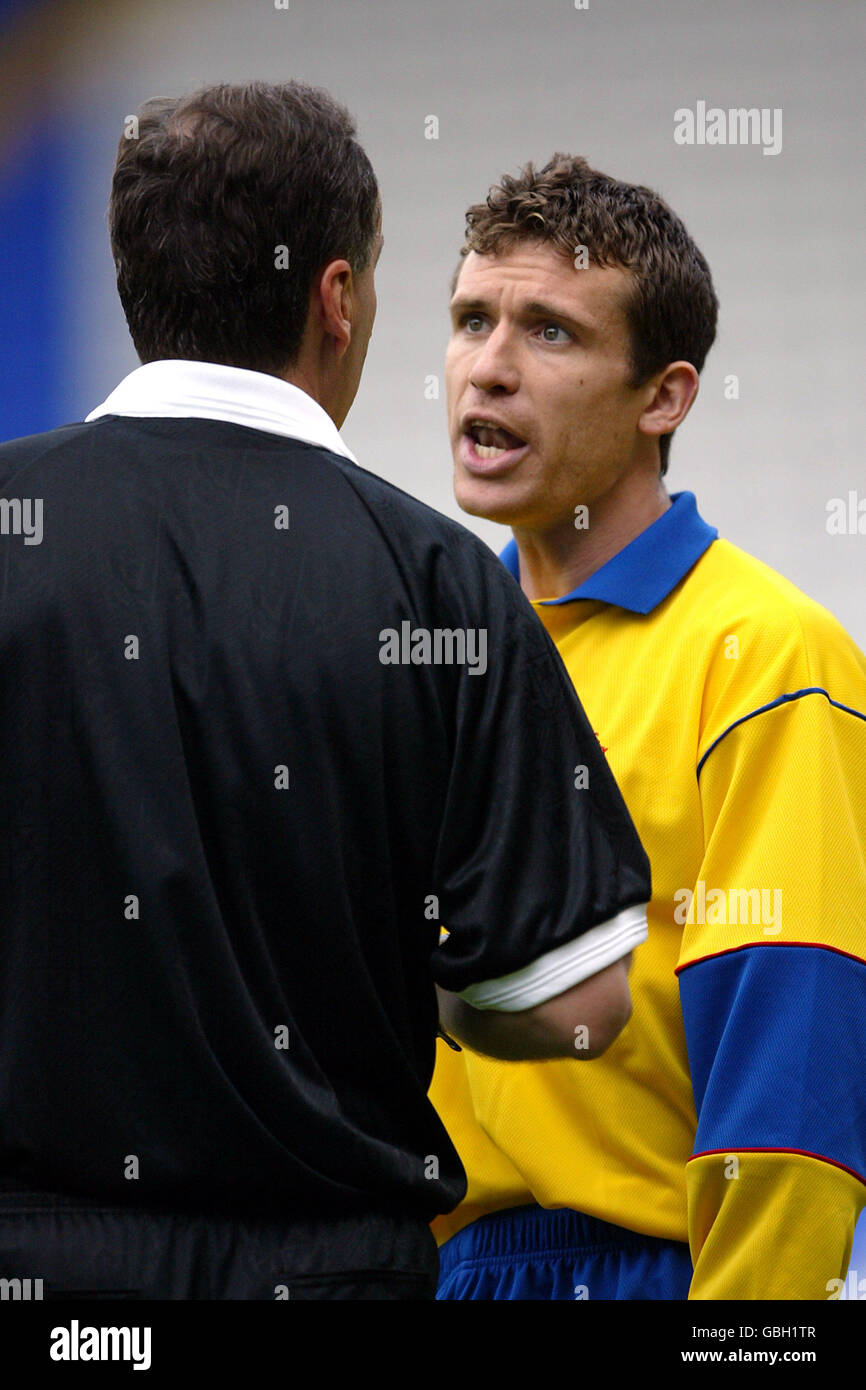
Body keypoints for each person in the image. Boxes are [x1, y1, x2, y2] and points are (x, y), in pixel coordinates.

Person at [0, 90, 651, 1300]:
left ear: (136, 280)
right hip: (336, 1269)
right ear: (335, 296)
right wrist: (438, 988)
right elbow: (579, 999)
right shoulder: (440, 583)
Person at [429, 153, 866, 1301]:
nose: (489, 367)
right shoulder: (425, 661)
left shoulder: (768, 655)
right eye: (471, 319)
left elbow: (792, 1086)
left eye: (550, 332)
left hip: (656, 1276)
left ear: (663, 397)